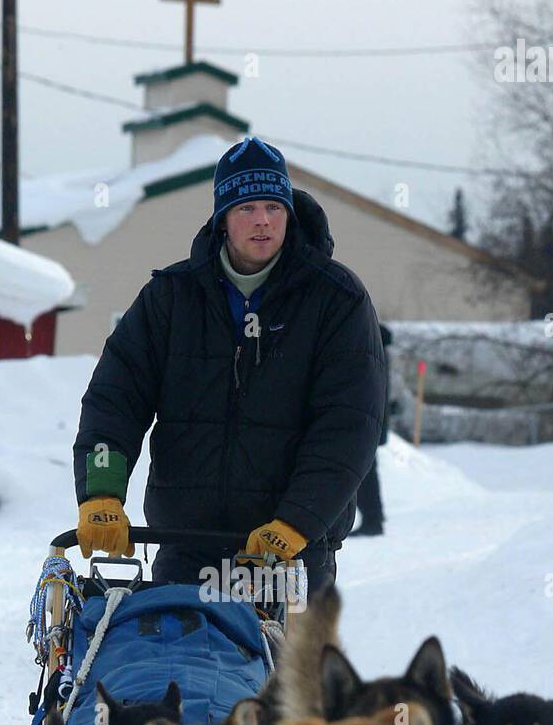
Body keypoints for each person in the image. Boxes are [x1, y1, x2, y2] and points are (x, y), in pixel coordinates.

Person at [73, 136, 385, 594]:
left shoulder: (336, 300)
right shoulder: (170, 298)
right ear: (222, 218)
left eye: (273, 207)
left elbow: (348, 426)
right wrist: (101, 491)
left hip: (291, 556)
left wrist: (297, 521)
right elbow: (115, 400)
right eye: (246, 208)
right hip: (185, 547)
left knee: (284, 669)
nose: (262, 220)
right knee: (178, 667)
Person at [350, 321, 392, 537]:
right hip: (371, 422)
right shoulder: (378, 348)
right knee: (366, 472)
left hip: (365, 423)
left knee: (363, 473)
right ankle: (374, 516)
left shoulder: (369, 349)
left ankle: (373, 518)